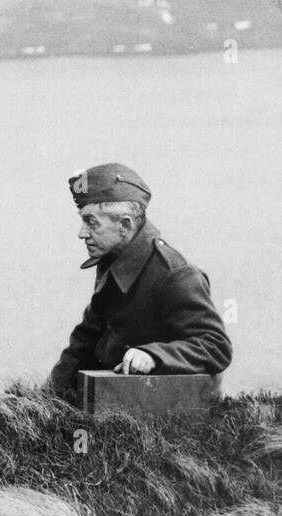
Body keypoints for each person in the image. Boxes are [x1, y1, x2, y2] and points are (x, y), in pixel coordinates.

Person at [47, 163, 232, 396]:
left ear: (125, 225)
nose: (82, 233)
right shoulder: (113, 259)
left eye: (91, 222)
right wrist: (46, 399)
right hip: (116, 398)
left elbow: (216, 346)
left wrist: (154, 355)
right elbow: (84, 341)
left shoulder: (174, 274)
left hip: (163, 408)